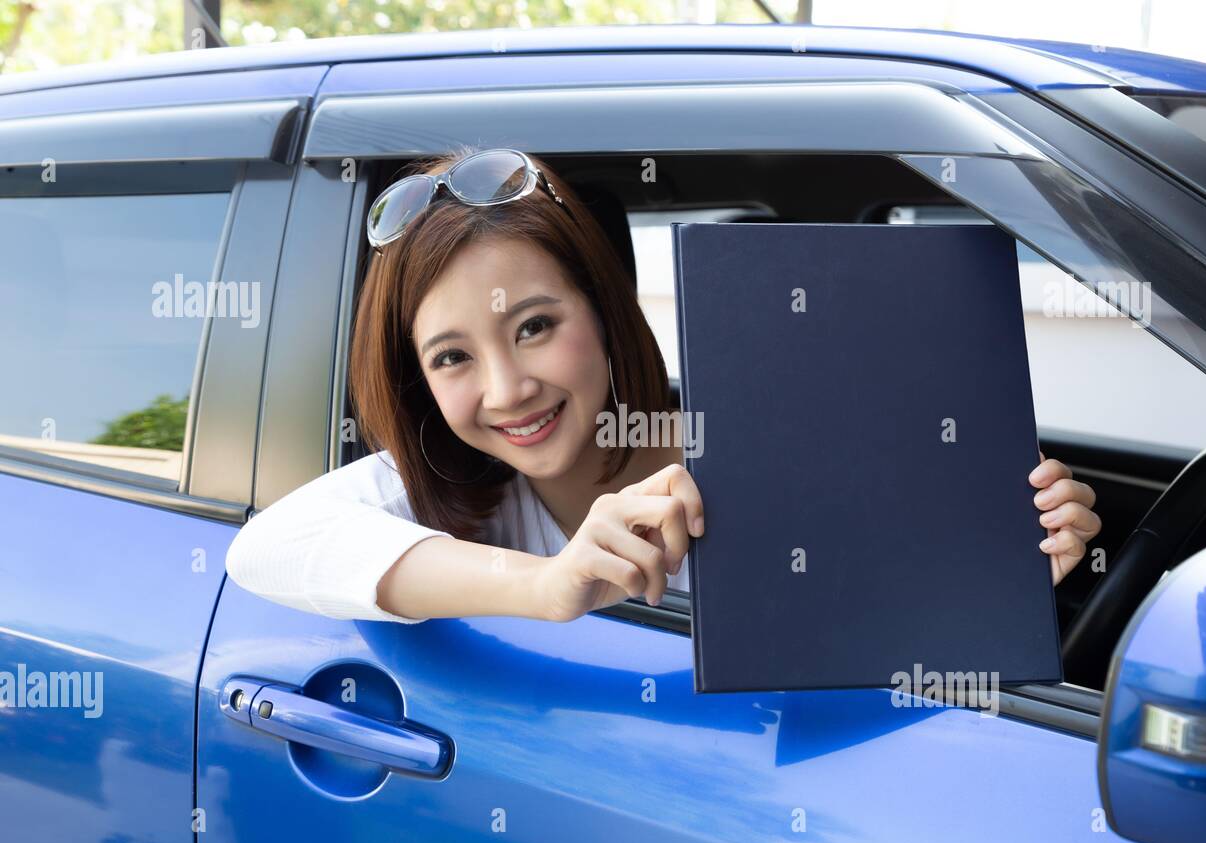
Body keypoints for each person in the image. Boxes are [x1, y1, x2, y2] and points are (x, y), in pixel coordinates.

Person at [224, 146, 1101, 626]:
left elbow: (882, 636)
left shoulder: (765, 453)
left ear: (604, 312)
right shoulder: (454, 492)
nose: (506, 390)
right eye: (452, 357)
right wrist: (548, 585)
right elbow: (265, 548)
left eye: (535, 327)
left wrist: (1010, 575)